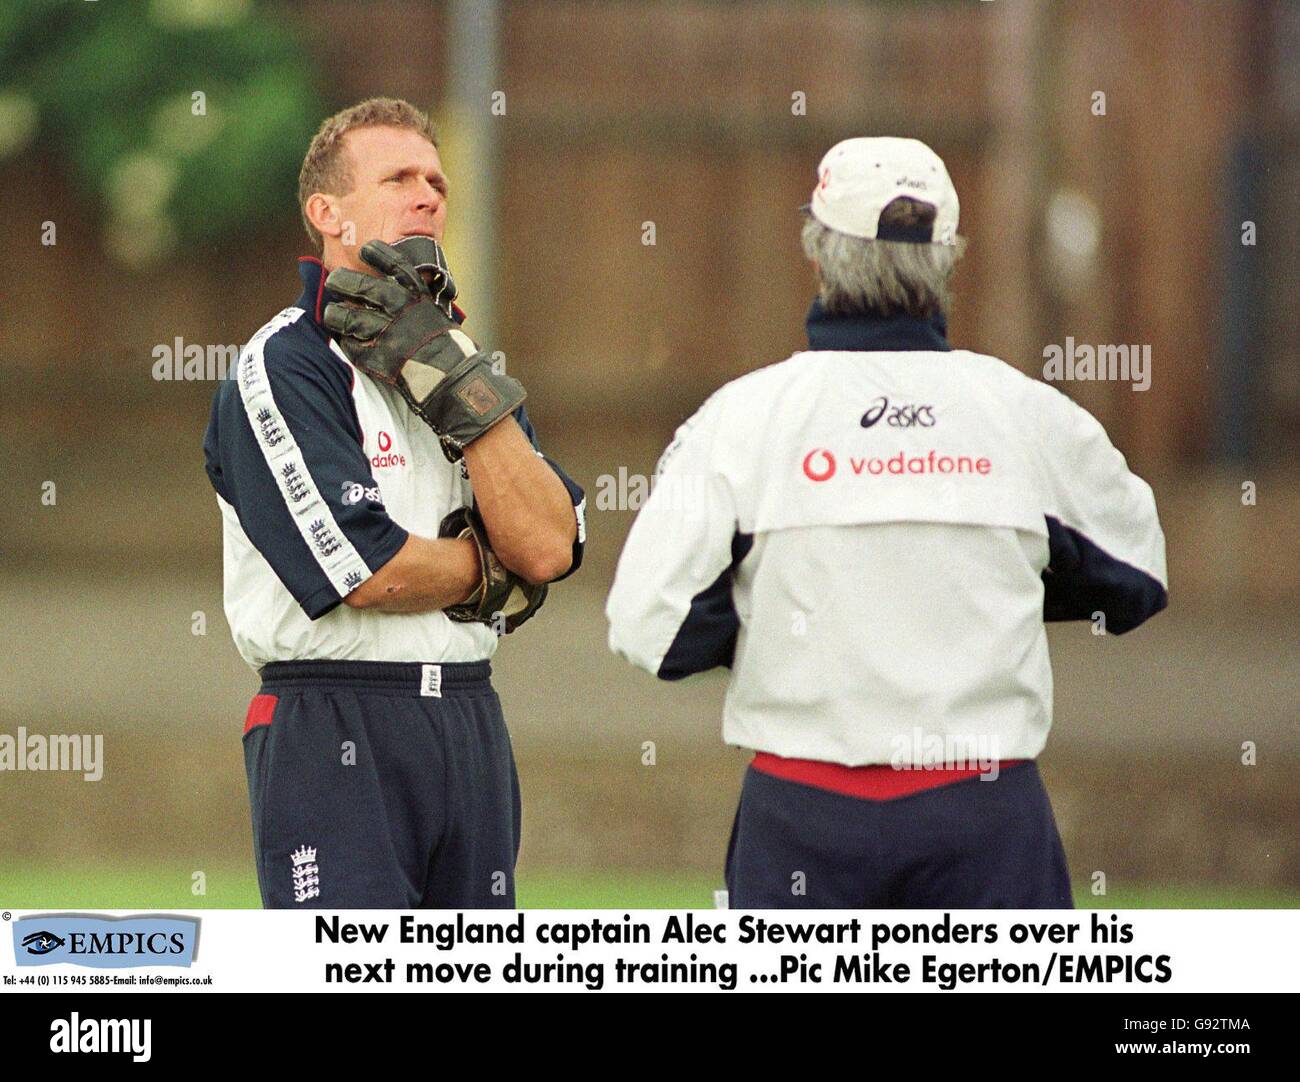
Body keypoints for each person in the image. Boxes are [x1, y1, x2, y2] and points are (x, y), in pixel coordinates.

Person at [605, 136, 1167, 909]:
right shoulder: (1027, 415)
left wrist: (797, 619)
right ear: (947, 257)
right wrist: (970, 588)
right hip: (984, 820)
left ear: (818, 251)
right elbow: (1136, 578)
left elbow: (650, 626)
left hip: (801, 818)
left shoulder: (741, 419)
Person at [203, 97, 585, 908]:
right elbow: (366, 569)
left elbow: (550, 547)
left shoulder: (465, 362)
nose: (428, 195)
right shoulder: (283, 364)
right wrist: (493, 574)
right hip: (332, 719)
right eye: (399, 177)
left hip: (471, 721)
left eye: (436, 180)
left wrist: (452, 381)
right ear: (327, 212)